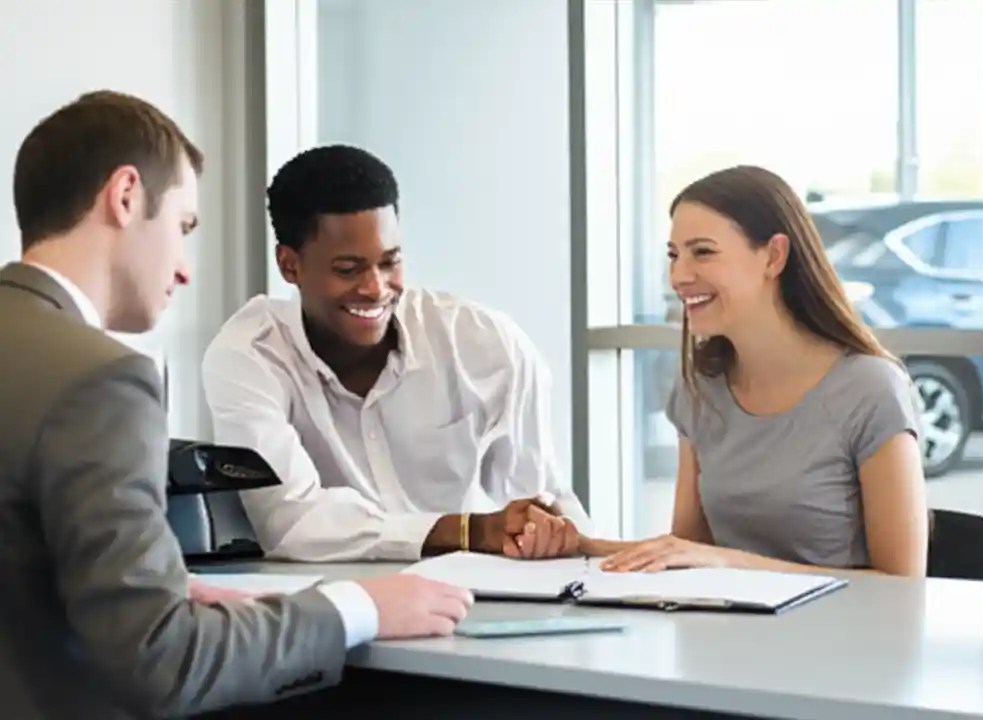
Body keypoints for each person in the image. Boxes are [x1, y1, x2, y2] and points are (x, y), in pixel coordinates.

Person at [0, 91, 474, 719]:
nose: (184, 269)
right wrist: (359, 607)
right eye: (183, 227)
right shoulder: (102, 380)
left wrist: (154, 593)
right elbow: (166, 662)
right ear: (125, 196)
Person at [202, 144, 588, 563]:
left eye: (390, 262)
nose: (375, 288)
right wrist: (468, 530)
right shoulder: (249, 356)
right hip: (332, 608)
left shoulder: (486, 346)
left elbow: (541, 505)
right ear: (289, 265)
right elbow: (290, 522)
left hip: (481, 600)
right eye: (347, 270)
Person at [590, 165, 929, 576]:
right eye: (674, 255)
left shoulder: (870, 389)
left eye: (703, 252)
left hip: (838, 639)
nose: (678, 276)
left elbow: (903, 585)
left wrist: (729, 561)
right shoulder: (701, 387)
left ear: (774, 256)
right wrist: (576, 543)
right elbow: (685, 552)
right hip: (726, 636)